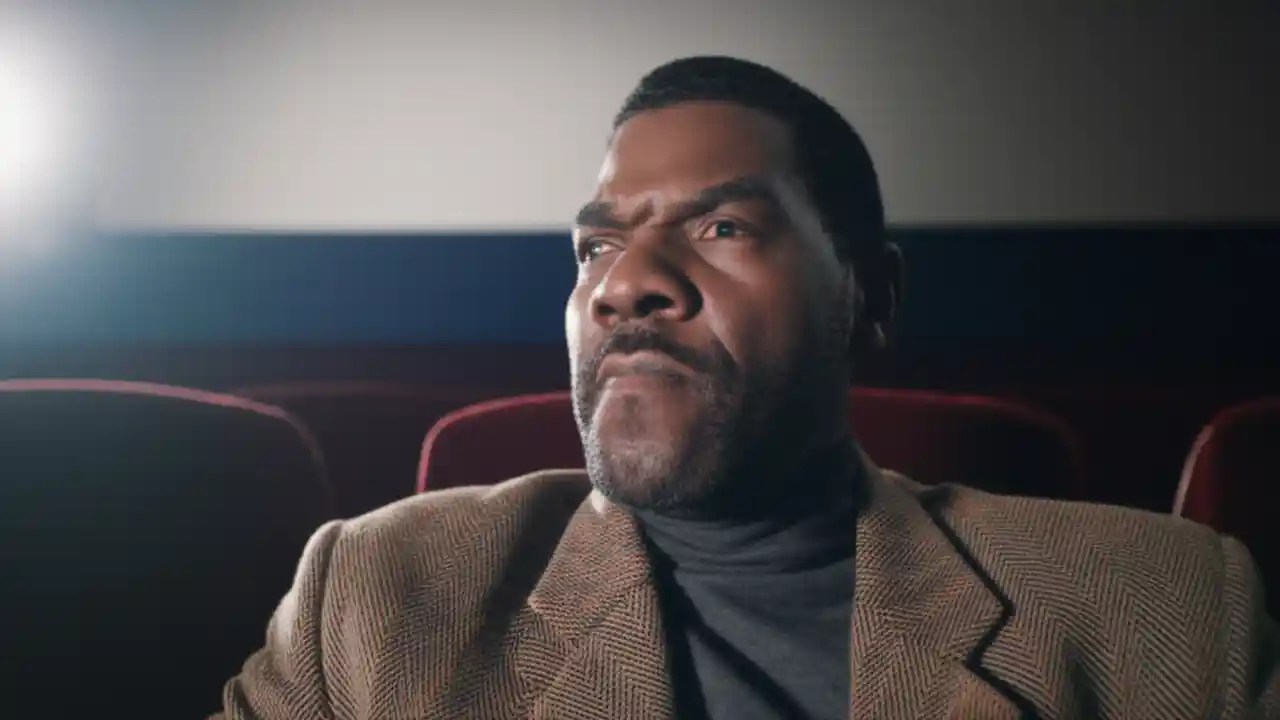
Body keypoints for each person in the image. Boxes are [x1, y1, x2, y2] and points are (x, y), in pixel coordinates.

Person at [215, 56, 1279, 719]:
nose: (626, 285)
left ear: (867, 297)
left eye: (721, 228)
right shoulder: (374, 602)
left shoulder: (1167, 612)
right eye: (594, 250)